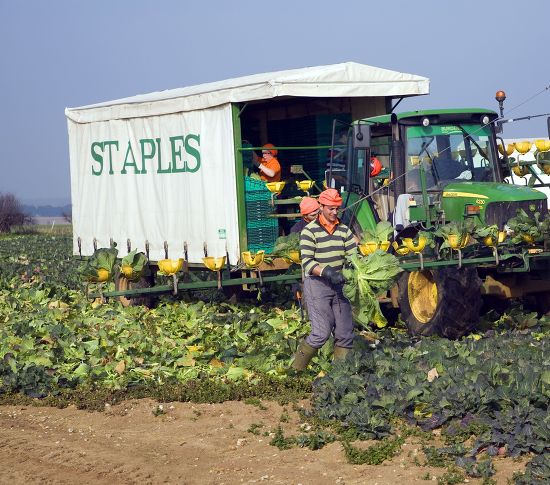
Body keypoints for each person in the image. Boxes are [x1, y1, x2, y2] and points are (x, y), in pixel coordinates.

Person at [291, 188, 357, 371]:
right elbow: (308, 263)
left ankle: (340, 374)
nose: (334, 212)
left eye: (337, 208)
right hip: (317, 285)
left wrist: (354, 269)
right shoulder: (309, 232)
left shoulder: (344, 230)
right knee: (321, 333)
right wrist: (328, 273)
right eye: (331, 208)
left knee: (345, 333)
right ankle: (295, 370)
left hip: (340, 285)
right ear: (321, 206)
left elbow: (353, 255)